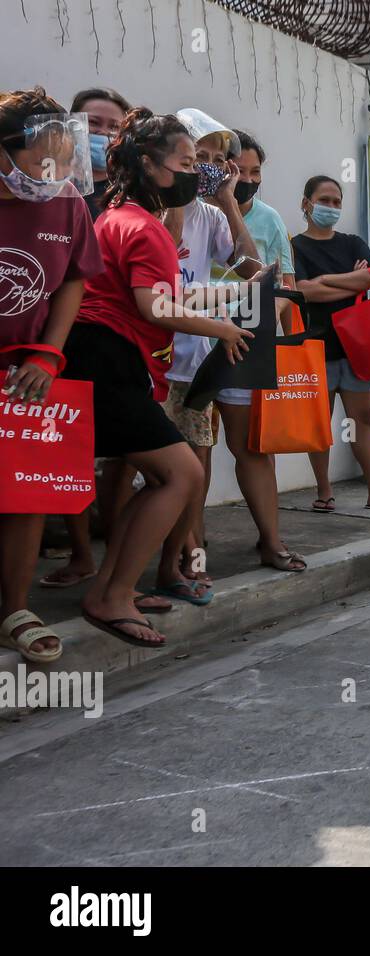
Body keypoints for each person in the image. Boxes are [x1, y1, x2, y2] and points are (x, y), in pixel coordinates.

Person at [61, 107, 253, 647]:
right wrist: (223, 328)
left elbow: (156, 295)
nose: (198, 173)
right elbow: (154, 307)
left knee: (168, 476)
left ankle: (114, 585)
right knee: (183, 475)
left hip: (103, 360)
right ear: (148, 163)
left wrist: (229, 293)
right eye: (188, 161)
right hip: (107, 362)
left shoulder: (117, 216)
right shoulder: (143, 227)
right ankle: (110, 593)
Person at [0, 88, 104, 664]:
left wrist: (47, 354)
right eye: (45, 160)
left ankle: (14, 606)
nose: (57, 173)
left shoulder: (66, 203)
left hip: (26, 368)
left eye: (66, 160)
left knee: (26, 489)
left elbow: (71, 280)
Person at [159, 108, 261, 600]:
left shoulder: (214, 212)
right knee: (131, 470)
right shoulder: (152, 207)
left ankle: (188, 557)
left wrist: (228, 199)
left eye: (219, 160)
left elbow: (250, 268)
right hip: (152, 358)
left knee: (195, 471)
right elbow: (170, 250)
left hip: (194, 363)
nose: (210, 166)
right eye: (200, 157)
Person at [40, 88, 133, 593]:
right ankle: (80, 554)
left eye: (112, 127)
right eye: (91, 124)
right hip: (55, 337)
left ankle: (118, 550)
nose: (101, 135)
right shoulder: (50, 190)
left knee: (124, 454)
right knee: (64, 449)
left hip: (117, 342)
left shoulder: (132, 197)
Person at [291, 174, 370, 514]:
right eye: (324, 200)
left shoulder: (352, 242)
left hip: (357, 347)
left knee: (361, 418)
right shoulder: (295, 246)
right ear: (306, 203)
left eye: (336, 201)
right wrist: (351, 281)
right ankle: (324, 491)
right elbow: (303, 290)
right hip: (316, 346)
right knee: (320, 422)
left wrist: (326, 280)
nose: (331, 207)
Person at [211, 129, 306, 574]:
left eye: (255, 172)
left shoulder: (268, 219)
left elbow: (284, 283)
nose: (247, 179)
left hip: (245, 344)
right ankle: (191, 548)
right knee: (195, 446)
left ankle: (271, 541)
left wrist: (266, 318)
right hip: (188, 340)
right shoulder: (187, 209)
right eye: (239, 170)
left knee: (248, 446)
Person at [71, 87, 130, 221]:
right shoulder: (52, 185)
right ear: (71, 124)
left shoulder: (128, 193)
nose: (103, 132)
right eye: (93, 122)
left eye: (114, 126)